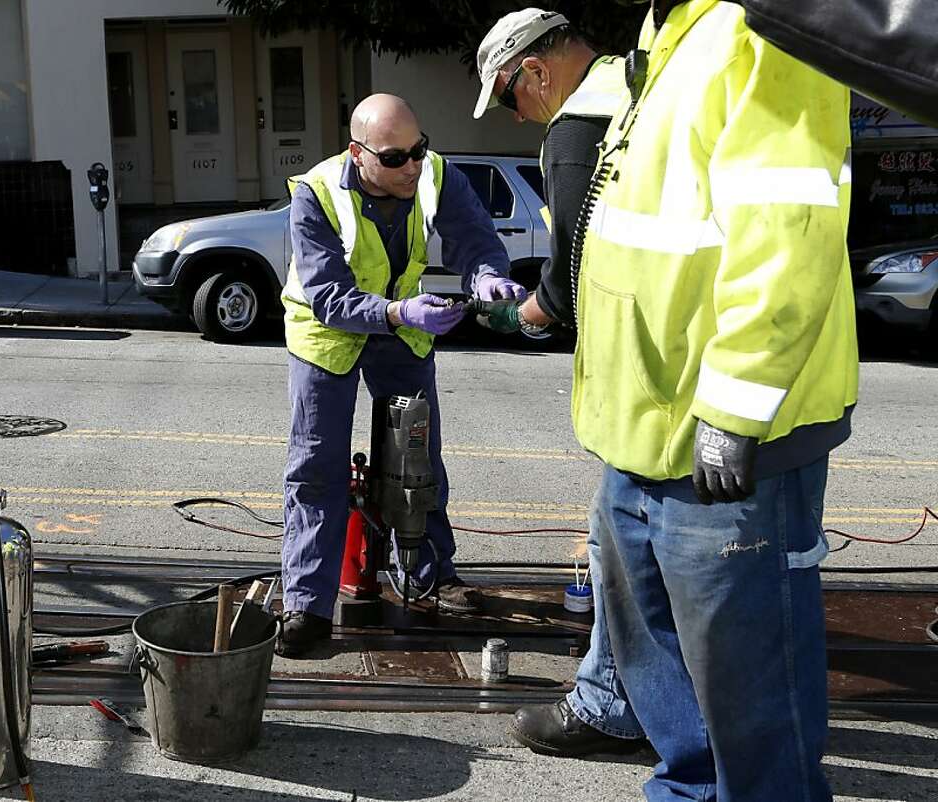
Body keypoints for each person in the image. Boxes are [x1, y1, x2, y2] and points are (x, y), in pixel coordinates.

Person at [493, 1, 858, 799]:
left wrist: (733, 410)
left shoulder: (760, 33)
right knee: (668, 691)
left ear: (534, 70)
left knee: (756, 717)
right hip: (640, 440)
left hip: (722, 446)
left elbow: (787, 235)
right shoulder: (660, 52)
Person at [277, 93, 527, 658]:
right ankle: (307, 606)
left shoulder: (434, 175)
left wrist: (486, 274)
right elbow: (328, 296)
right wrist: (395, 312)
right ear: (358, 154)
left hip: (402, 329)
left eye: (418, 150)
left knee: (418, 457)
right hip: (330, 332)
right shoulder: (315, 196)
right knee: (318, 471)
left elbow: (474, 235)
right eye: (395, 158)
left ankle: (431, 574)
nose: (411, 165)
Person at [471, 7, 647, 758]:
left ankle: (610, 701)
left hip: (638, 383)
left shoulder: (577, 128)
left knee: (620, 546)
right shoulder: (636, 88)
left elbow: (572, 271)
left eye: (512, 97)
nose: (520, 114)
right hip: (668, 369)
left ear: (537, 72)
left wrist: (526, 316)